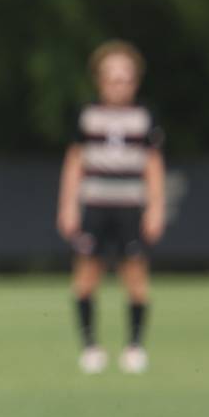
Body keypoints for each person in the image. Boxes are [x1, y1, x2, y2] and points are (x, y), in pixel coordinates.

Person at [56, 40, 165, 374]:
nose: (120, 85)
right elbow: (74, 161)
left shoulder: (144, 117)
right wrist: (68, 205)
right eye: (113, 78)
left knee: (135, 276)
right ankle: (90, 346)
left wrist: (155, 207)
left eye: (126, 79)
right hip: (96, 205)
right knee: (87, 276)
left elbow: (153, 164)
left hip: (130, 206)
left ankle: (134, 346)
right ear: (100, 80)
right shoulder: (88, 116)